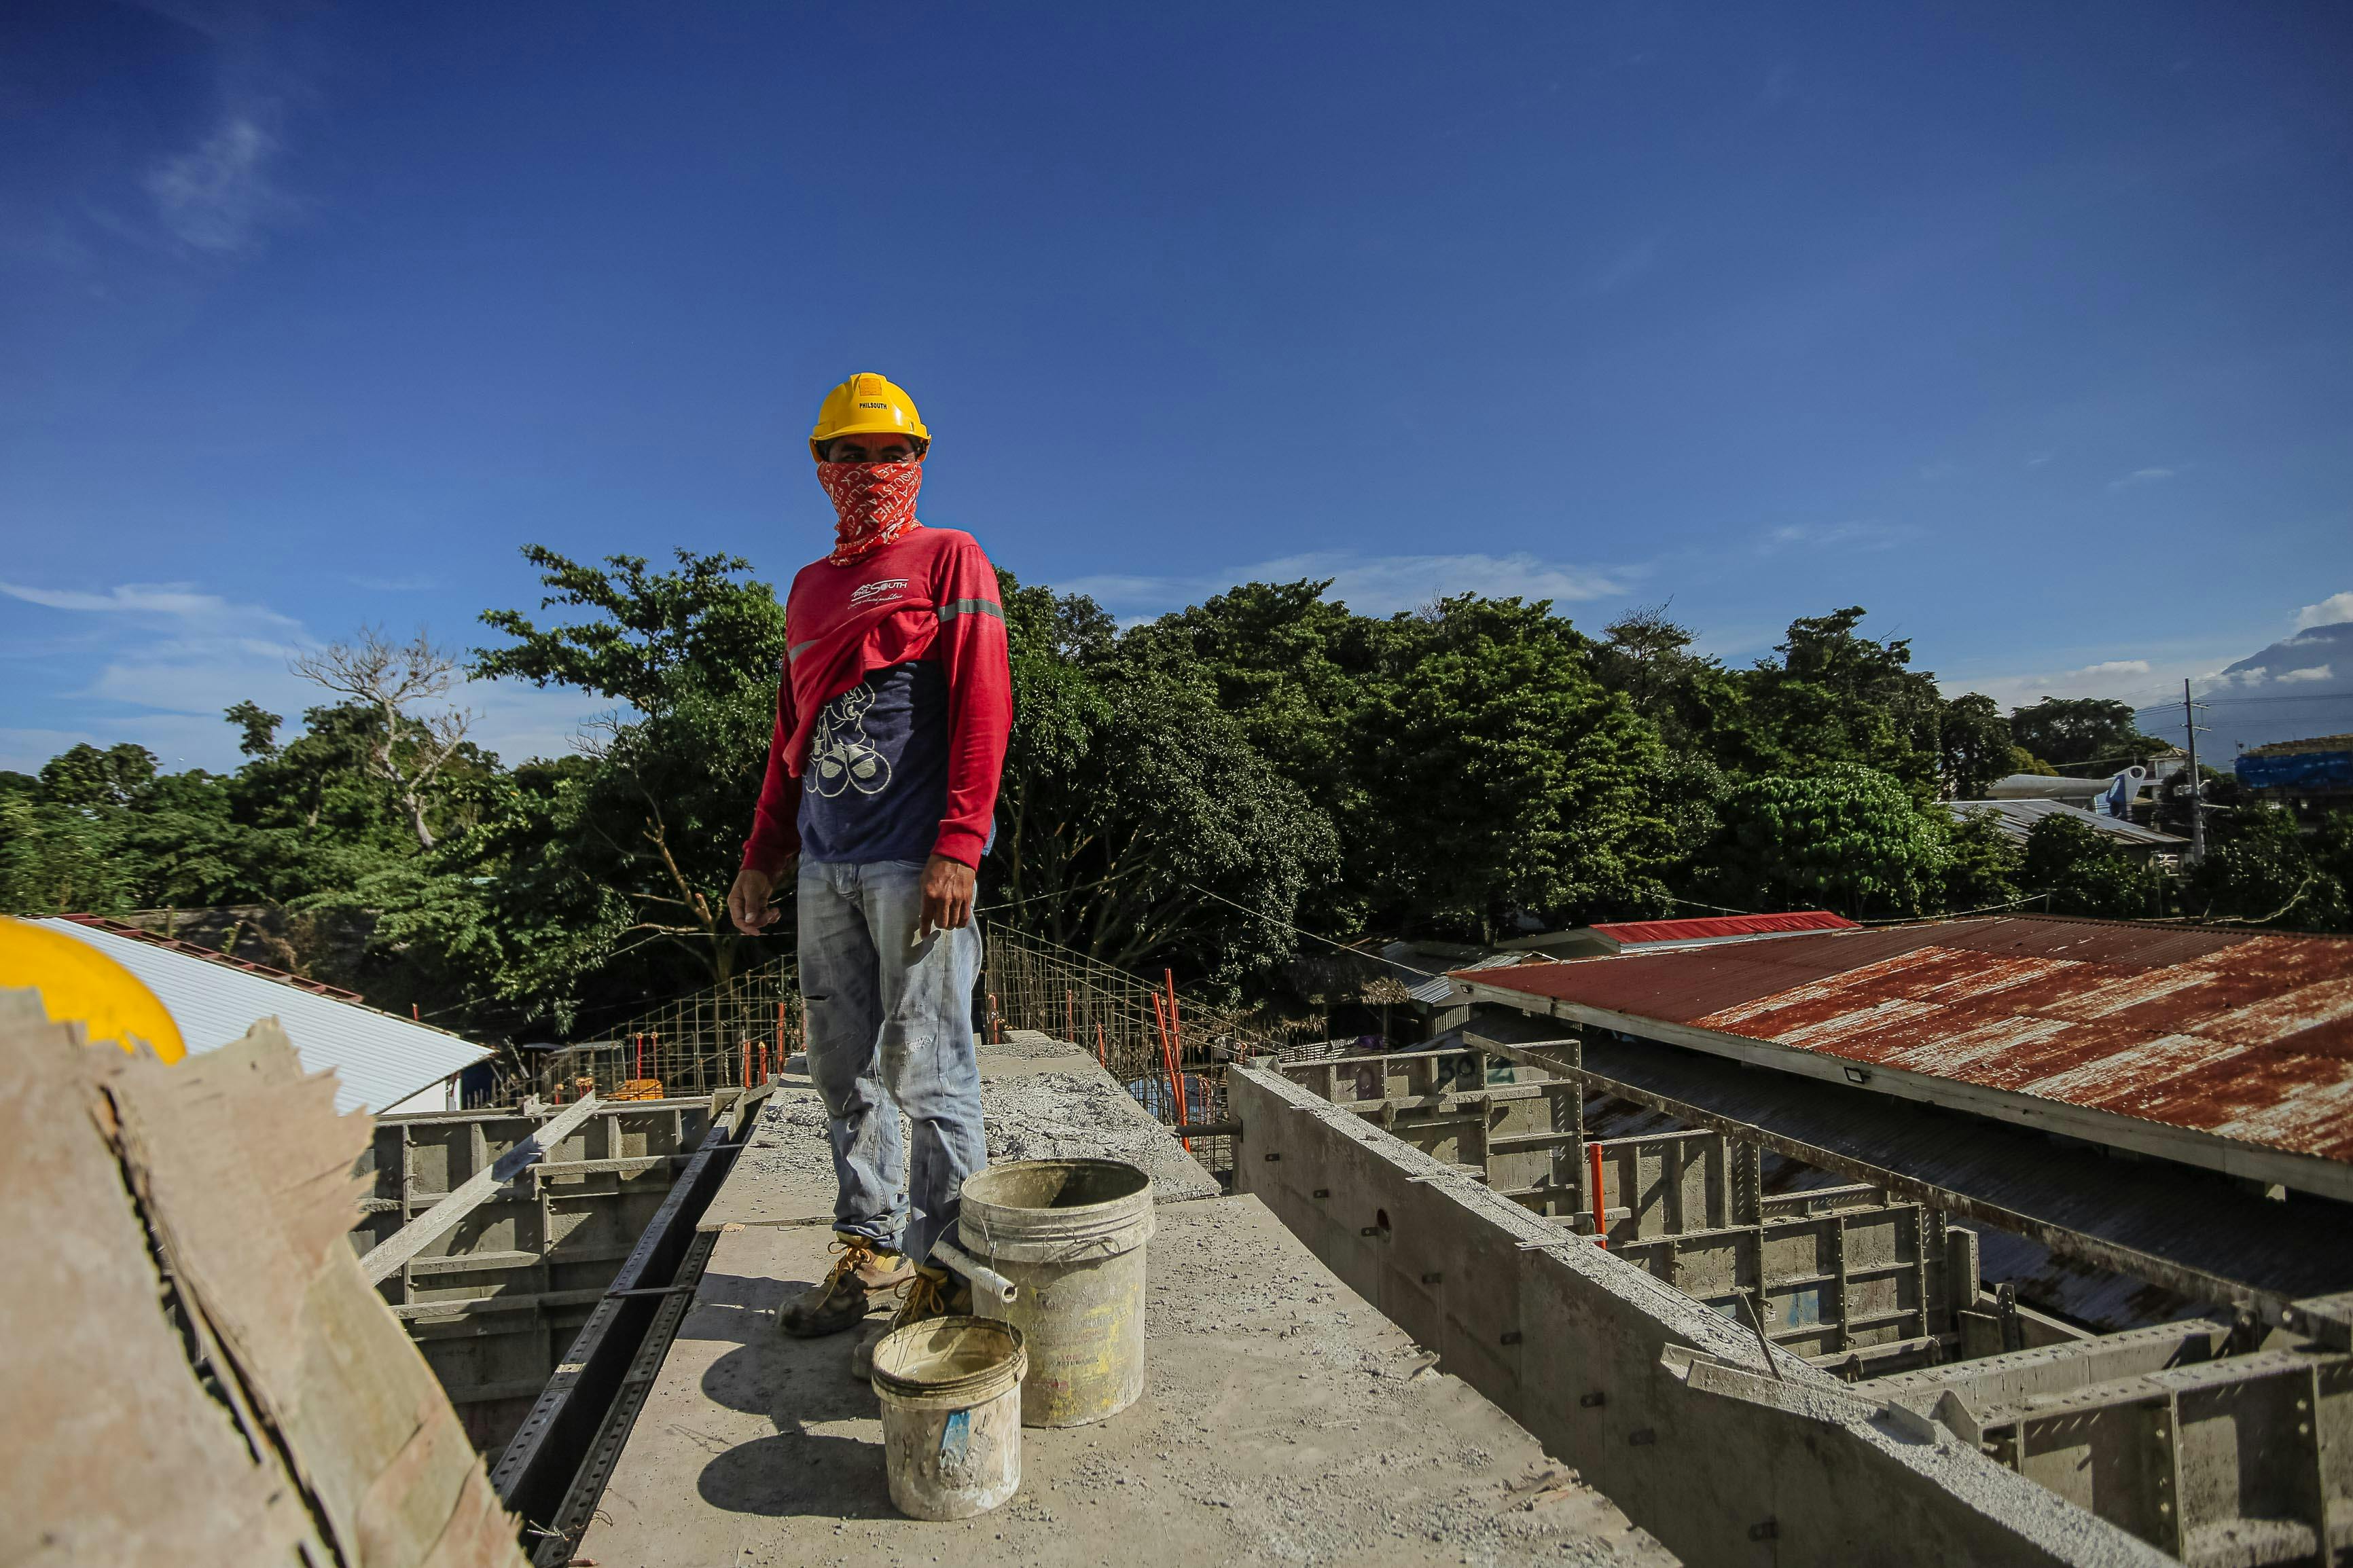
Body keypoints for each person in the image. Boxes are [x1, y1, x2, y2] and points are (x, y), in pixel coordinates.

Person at [727, 372, 1011, 1374]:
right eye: (848, 453)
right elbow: (791, 735)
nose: (870, 470)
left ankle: (953, 1266)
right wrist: (763, 855)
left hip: (913, 862)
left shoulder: (949, 557)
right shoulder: (809, 588)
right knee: (842, 1068)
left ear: (918, 460)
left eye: (890, 453)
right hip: (825, 866)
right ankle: (872, 1245)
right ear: (821, 465)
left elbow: (984, 704)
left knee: (930, 1067)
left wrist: (959, 843)